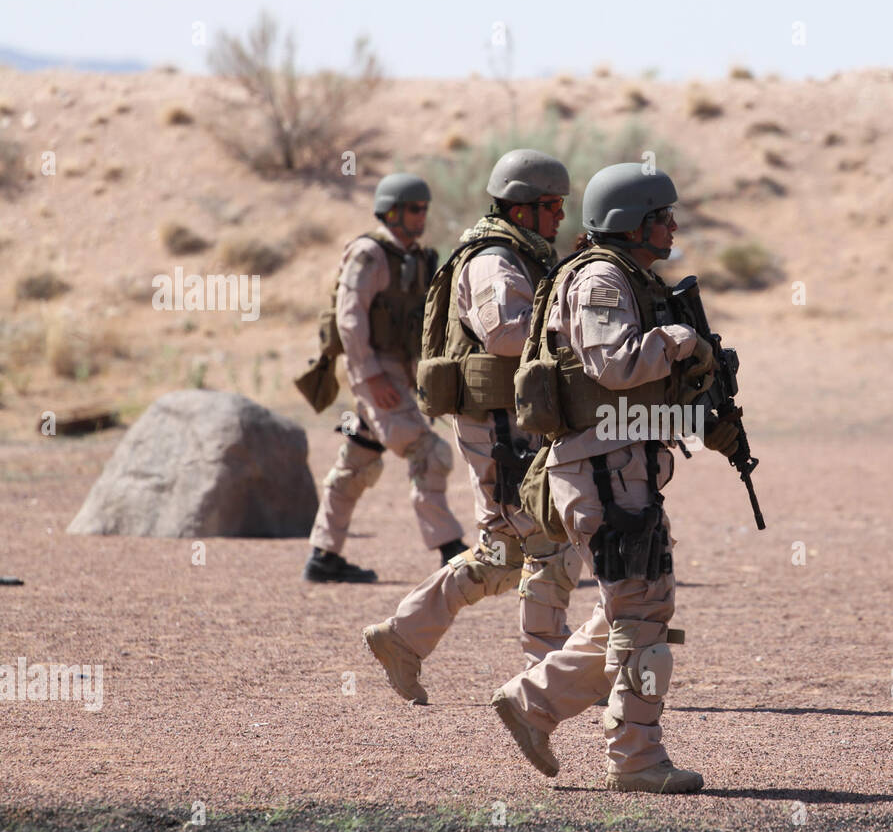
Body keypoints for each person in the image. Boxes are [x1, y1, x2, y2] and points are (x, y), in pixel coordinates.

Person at [490, 163, 738, 794]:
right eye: (664, 217)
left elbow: (635, 392)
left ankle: (532, 701)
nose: (674, 227)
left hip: (619, 469)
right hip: (602, 474)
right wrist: (681, 341)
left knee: (635, 608)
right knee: (641, 622)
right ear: (632, 222)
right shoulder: (601, 277)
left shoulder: (625, 275)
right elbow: (614, 362)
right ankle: (634, 759)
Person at [363, 151, 583, 702]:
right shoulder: (492, 258)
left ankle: (403, 636)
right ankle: (549, 676)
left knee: (504, 555)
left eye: (562, 204)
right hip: (500, 429)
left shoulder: (525, 254)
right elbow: (506, 334)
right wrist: (572, 315)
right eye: (551, 205)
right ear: (520, 207)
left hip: (510, 422)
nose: (560, 215)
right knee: (549, 543)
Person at [303, 173, 468, 583]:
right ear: (391, 211)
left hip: (398, 372)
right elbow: (350, 318)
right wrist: (371, 377)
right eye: (414, 209)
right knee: (428, 453)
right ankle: (450, 549)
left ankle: (323, 555)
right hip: (374, 371)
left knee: (356, 462)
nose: (421, 216)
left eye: (425, 209)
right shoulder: (369, 255)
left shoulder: (416, 257)